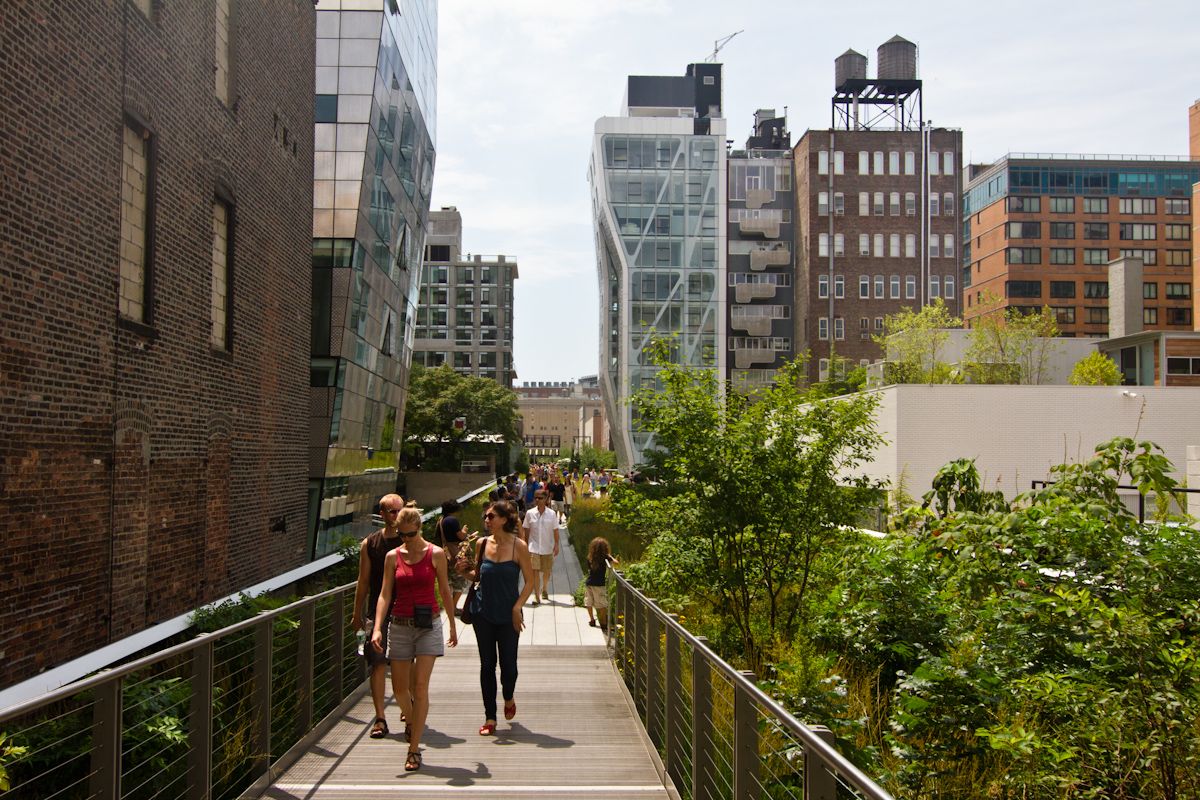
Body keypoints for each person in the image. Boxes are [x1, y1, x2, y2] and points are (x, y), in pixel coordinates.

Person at [371, 507, 458, 772]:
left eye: (410, 534)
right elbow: (385, 593)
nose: (406, 539)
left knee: (419, 687)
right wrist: (377, 628)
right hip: (399, 624)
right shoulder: (391, 557)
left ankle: (414, 749)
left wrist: (453, 624)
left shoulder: (436, 554)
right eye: (402, 534)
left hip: (428, 624)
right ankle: (412, 720)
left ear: (419, 528)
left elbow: (444, 588)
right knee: (400, 689)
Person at [458, 500, 535, 736]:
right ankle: (490, 717)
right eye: (486, 517)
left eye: (491, 517)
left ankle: (508, 697)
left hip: (508, 614)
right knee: (487, 665)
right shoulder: (482, 544)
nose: (486, 521)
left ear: (504, 519)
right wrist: (464, 572)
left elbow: (530, 581)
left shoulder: (518, 546)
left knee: (509, 667)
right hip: (483, 613)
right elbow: (478, 577)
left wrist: (517, 607)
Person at [351, 493, 407, 740]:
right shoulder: (370, 544)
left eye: (400, 511)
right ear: (382, 514)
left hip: (406, 609)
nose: (396, 516)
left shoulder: (411, 542)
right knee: (377, 662)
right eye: (391, 511)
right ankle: (381, 718)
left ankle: (408, 706)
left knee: (405, 664)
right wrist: (357, 612)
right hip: (378, 611)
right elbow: (363, 581)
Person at [521, 489, 560, 604]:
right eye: (536, 498)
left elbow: (556, 530)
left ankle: (545, 588)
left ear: (546, 499)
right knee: (535, 572)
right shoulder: (529, 513)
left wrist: (556, 545)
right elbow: (526, 530)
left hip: (547, 547)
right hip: (533, 548)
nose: (537, 500)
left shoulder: (552, 514)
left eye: (540, 498)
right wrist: (525, 545)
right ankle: (537, 596)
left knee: (547, 572)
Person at [436, 499, 471, 613]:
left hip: (445, 554)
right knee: (461, 582)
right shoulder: (452, 520)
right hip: (455, 554)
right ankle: (453, 608)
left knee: (449, 582)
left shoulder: (441, 520)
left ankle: (449, 606)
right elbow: (460, 536)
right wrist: (464, 531)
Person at [585, 537, 619, 630]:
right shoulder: (605, 557)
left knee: (589, 602)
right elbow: (616, 562)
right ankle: (604, 623)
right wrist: (610, 556)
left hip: (589, 583)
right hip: (599, 584)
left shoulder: (590, 557)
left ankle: (592, 620)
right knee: (602, 604)